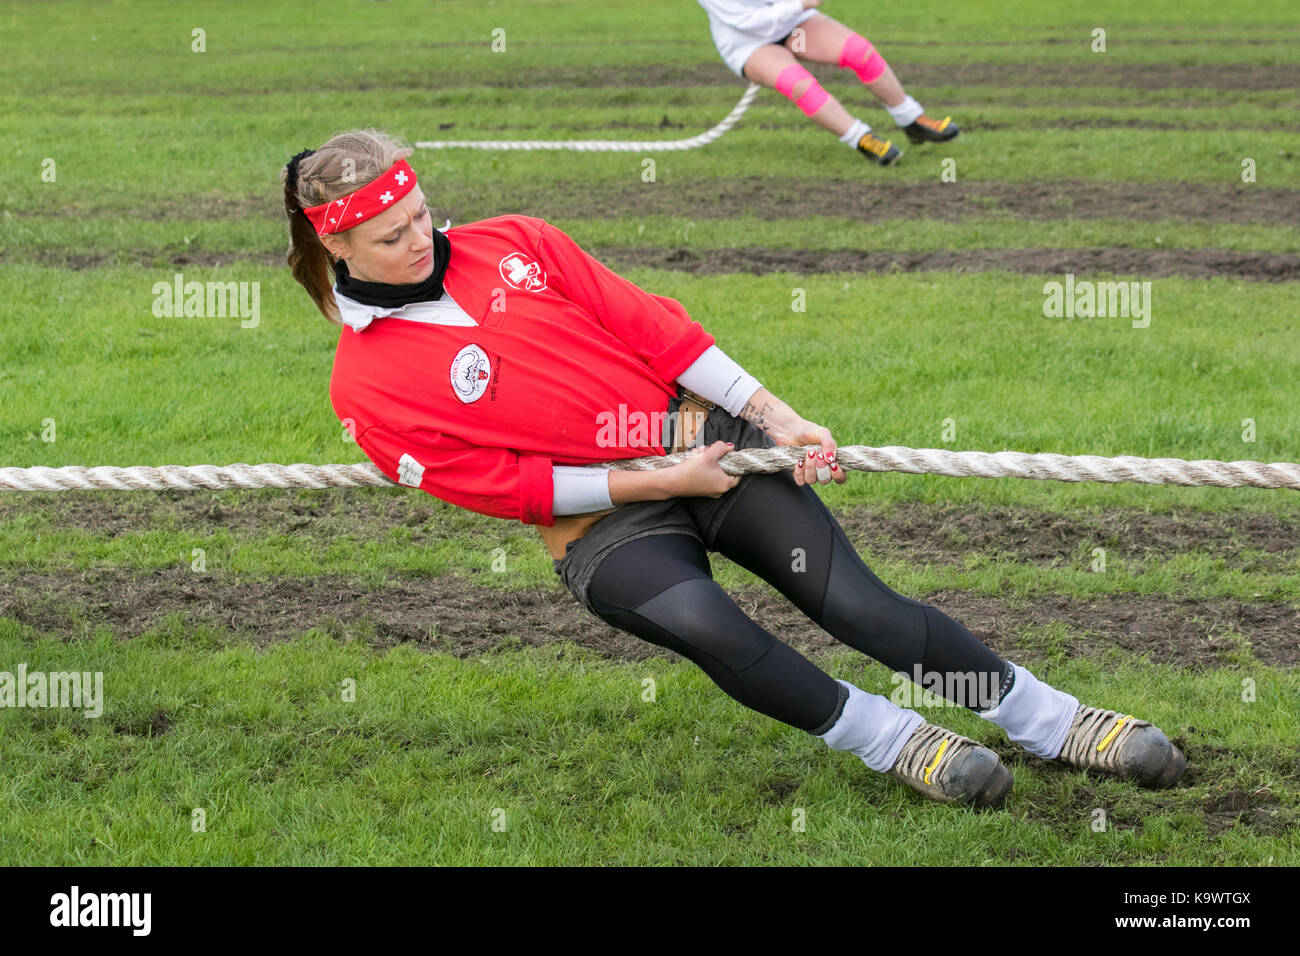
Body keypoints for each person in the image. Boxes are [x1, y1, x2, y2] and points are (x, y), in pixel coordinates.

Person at [280, 129, 1185, 809]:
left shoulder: (518, 240)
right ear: (338, 250)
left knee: (857, 605)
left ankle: (1054, 722)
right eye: (393, 237)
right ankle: (896, 743)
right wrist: (654, 484)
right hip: (606, 521)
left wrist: (772, 413)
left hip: (705, 441)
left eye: (424, 214)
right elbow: (503, 487)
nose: (423, 239)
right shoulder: (364, 385)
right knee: (710, 624)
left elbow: (653, 328)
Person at [696, 0, 959, 165]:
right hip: (749, 41)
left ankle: (912, 120)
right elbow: (747, 21)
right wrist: (799, 3)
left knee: (859, 52)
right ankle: (862, 139)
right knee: (799, 83)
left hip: (793, 25)